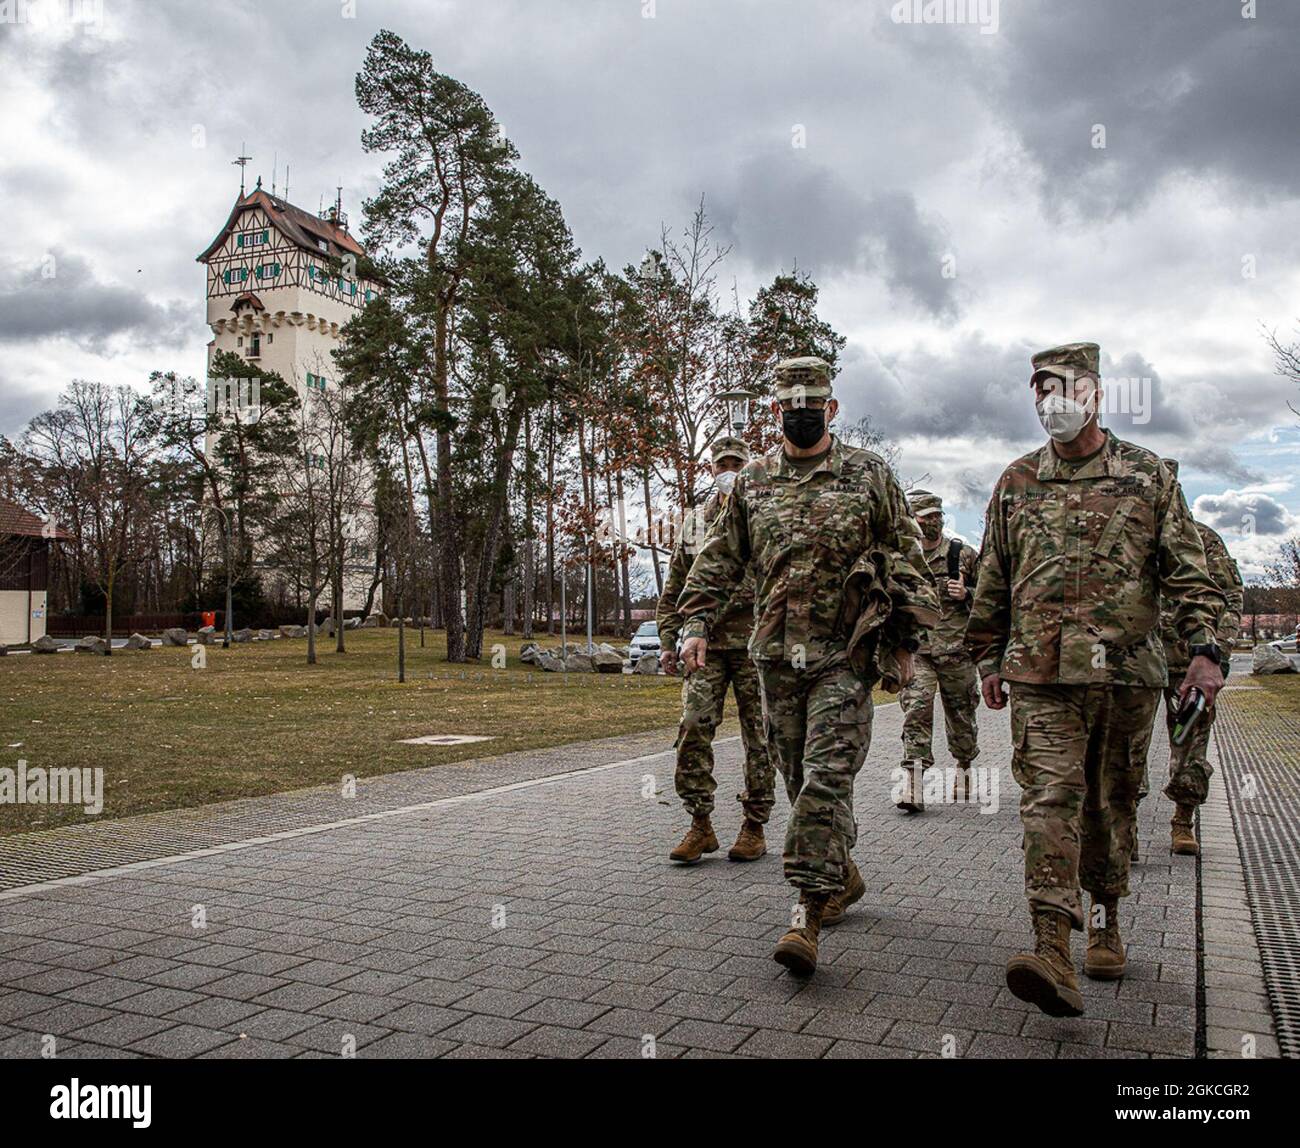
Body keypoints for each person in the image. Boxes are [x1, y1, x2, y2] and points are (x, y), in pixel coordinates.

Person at [965, 342, 1225, 1017]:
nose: (1051, 399)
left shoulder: (1149, 476)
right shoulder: (1017, 480)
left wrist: (1204, 650)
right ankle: (1051, 942)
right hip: (1041, 675)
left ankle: (1106, 912)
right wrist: (987, 656)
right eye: (1039, 389)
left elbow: (1187, 572)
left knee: (1111, 802)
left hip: (1127, 676)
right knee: (1049, 798)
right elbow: (993, 575)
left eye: (1065, 386)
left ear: (1097, 393)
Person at [677, 356, 937, 976]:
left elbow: (906, 557)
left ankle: (807, 913)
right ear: (774, 412)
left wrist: (903, 642)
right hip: (774, 657)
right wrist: (694, 623)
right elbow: (718, 560)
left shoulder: (868, 475)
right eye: (788, 403)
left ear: (832, 408)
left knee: (825, 778)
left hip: (843, 657)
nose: (799, 412)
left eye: (811, 402)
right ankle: (840, 874)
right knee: (797, 779)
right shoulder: (754, 482)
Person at [656, 436, 775, 864]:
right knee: (692, 727)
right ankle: (700, 823)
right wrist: (669, 639)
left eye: (736, 463)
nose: (728, 469)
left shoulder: (763, 515)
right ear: (710, 470)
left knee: (760, 736)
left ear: (748, 467)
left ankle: (754, 824)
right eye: (721, 463)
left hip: (754, 645)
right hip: (701, 645)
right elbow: (675, 589)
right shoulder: (694, 524)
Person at [1133, 459, 1243, 857]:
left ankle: (1183, 818)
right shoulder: (1131, 536)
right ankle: (1124, 823)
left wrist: (1217, 653)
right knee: (1125, 748)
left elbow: (1230, 599)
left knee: (1189, 745)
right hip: (1138, 661)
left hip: (1188, 666)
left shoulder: (1204, 540)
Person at [896, 489, 981, 812]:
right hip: (919, 650)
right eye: (926, 516)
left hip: (957, 651)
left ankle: (964, 766)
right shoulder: (903, 558)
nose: (933, 522)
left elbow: (991, 598)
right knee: (916, 709)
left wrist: (967, 593)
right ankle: (914, 783)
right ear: (913, 520)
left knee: (962, 716)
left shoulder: (963, 555)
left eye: (937, 516)